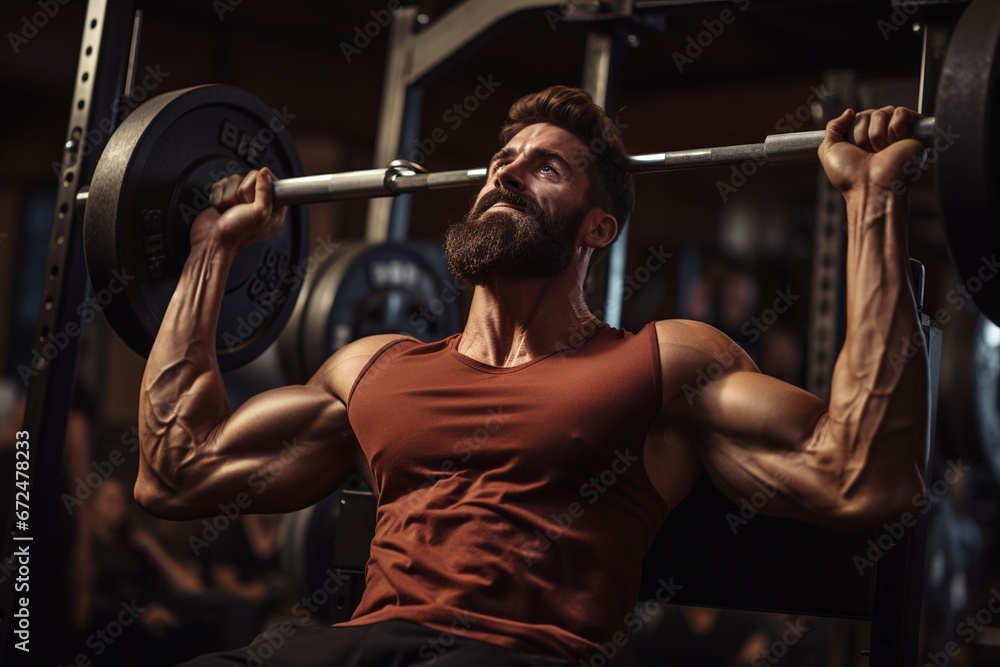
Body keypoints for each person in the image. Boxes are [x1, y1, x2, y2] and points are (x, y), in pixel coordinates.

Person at [134, 86, 929, 666]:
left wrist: (873, 199)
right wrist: (211, 249)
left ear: (599, 227)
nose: (505, 175)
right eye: (500, 162)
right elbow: (175, 470)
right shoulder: (374, 367)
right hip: (361, 647)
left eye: (545, 167)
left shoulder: (662, 363)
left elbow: (862, 474)